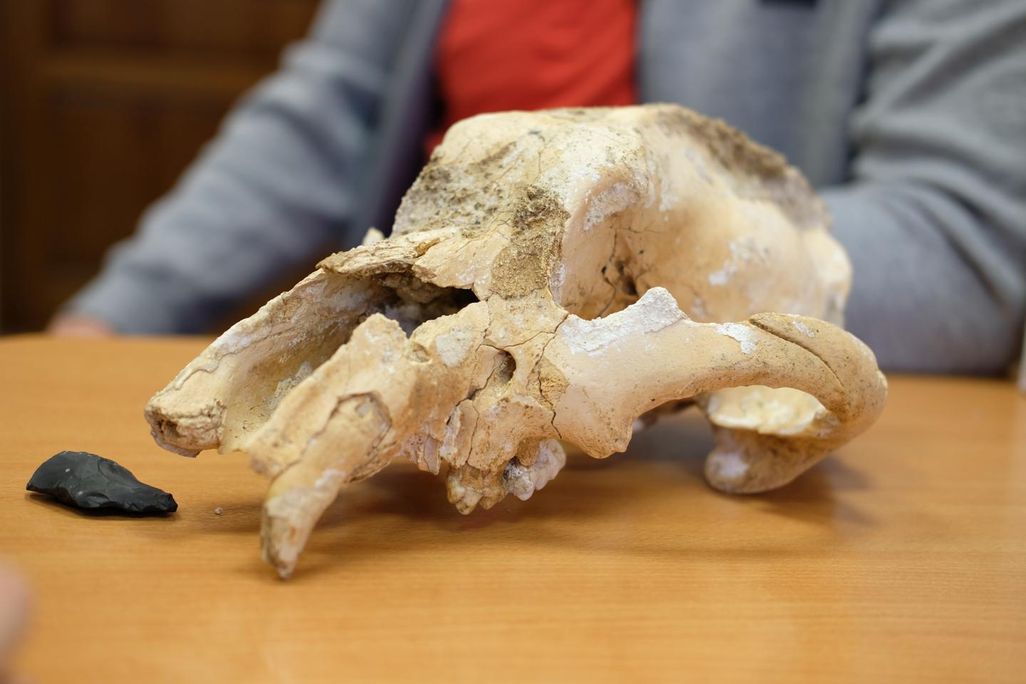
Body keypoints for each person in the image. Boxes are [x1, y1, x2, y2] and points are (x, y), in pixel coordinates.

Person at [51, 0, 1026, 375]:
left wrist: (639, 253)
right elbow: (328, 110)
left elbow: (960, 249)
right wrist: (111, 317)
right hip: (416, 381)